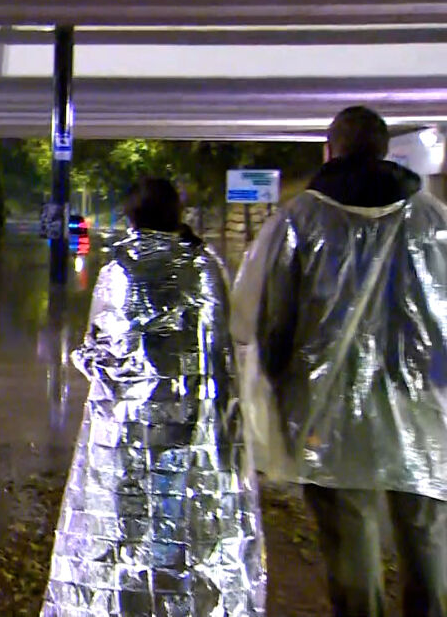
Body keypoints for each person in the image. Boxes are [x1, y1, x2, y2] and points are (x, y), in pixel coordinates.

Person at [232, 106, 447, 616]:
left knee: (351, 537)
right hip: (424, 410)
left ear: (329, 151)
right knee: (428, 532)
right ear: (383, 151)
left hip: (328, 412)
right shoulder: (432, 218)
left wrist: (275, 391)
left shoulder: (298, 219)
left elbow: (265, 319)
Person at [41, 179, 265, 616]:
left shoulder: (120, 268)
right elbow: (223, 349)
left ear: (130, 216)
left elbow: (107, 353)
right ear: (178, 213)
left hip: (130, 429)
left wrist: (77, 357)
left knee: (126, 520)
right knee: (192, 519)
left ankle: (127, 603)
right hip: (198, 426)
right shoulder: (206, 266)